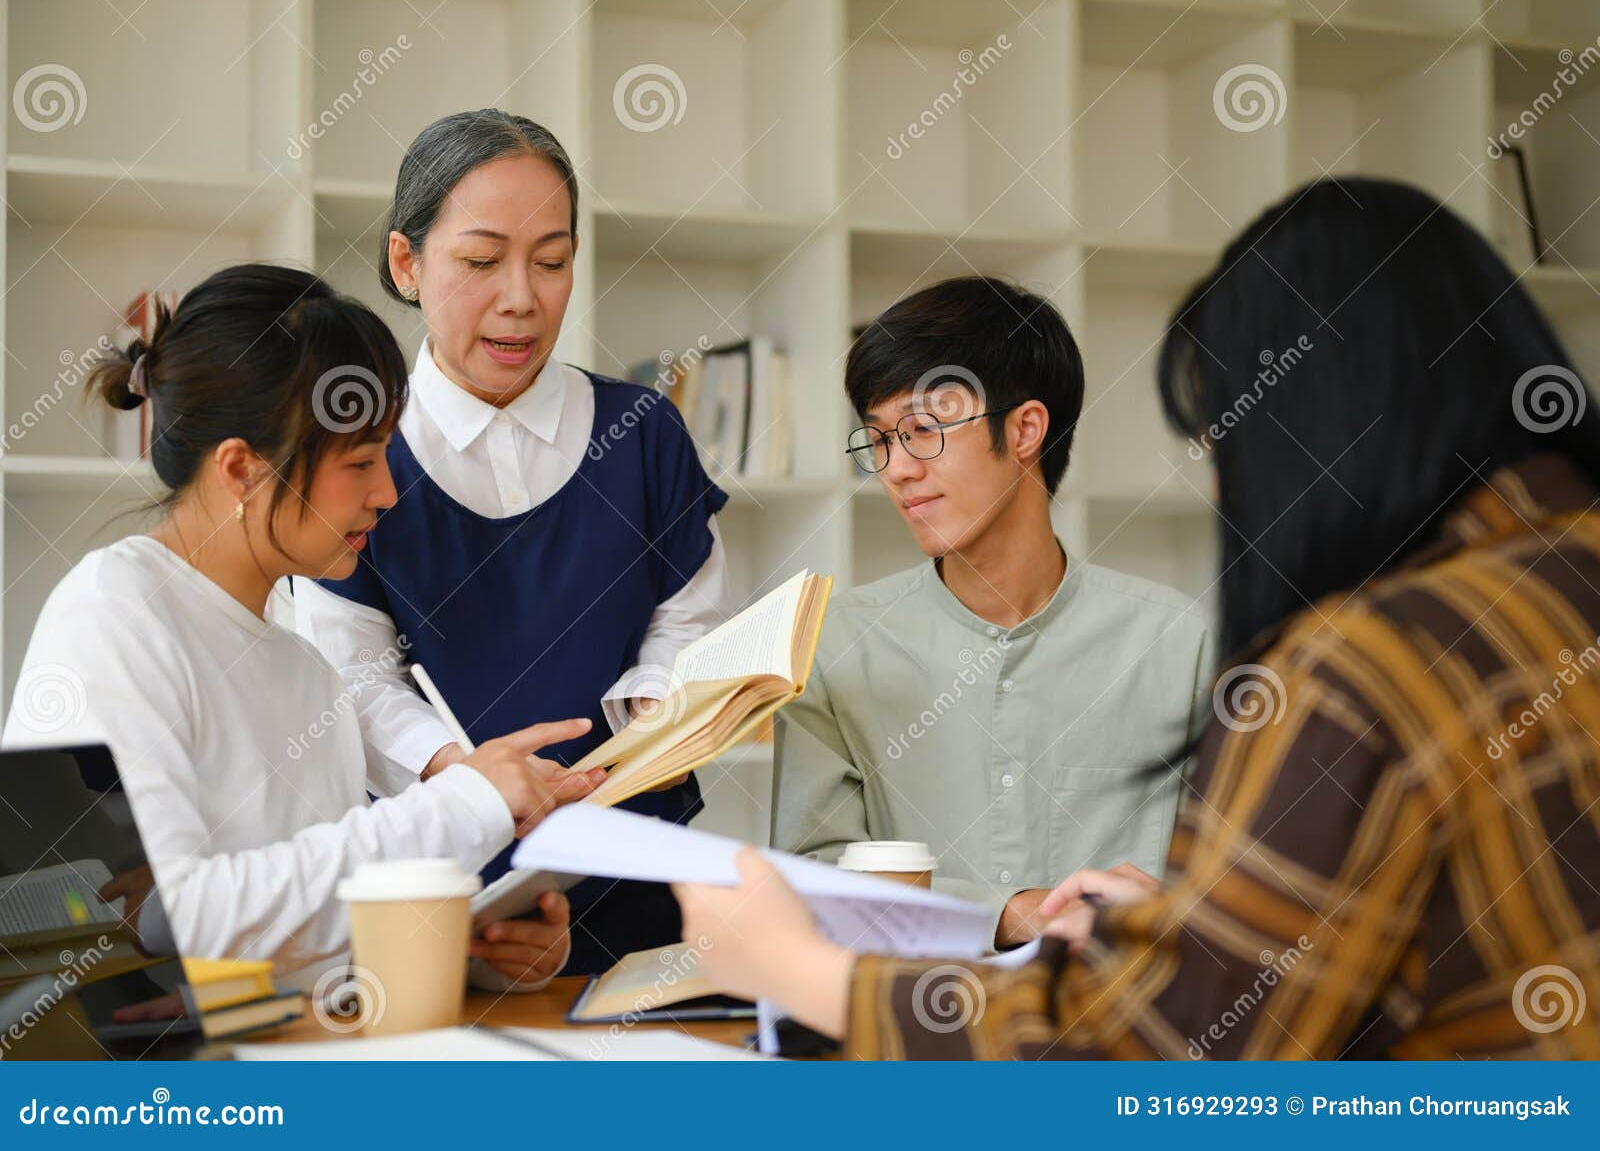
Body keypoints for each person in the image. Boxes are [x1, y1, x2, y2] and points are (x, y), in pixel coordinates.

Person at [676, 178, 1600, 1059]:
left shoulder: (1346, 663)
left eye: (1228, 432)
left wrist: (795, 970)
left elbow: (1161, 1045)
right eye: (880, 441)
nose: (1218, 478)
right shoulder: (1555, 584)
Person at [2, 264, 606, 992]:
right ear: (240, 469)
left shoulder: (307, 670)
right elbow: (174, 922)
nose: (386, 494)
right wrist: (465, 801)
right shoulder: (115, 614)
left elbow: (305, 936)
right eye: (360, 462)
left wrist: (471, 950)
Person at [292, 109, 731, 976]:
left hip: (634, 869)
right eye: (482, 261)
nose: (523, 297)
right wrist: (473, 780)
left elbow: (688, 619)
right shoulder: (359, 447)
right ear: (406, 264)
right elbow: (351, 676)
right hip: (438, 884)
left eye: (554, 261)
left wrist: (644, 724)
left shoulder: (642, 431)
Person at [772, 276, 1212, 947]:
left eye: (922, 430)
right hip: (912, 1033)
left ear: (1027, 428)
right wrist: (1007, 912)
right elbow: (812, 879)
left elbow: (1238, 884)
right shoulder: (833, 646)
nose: (897, 470)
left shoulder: (1180, 644)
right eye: (879, 441)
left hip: (1124, 1034)